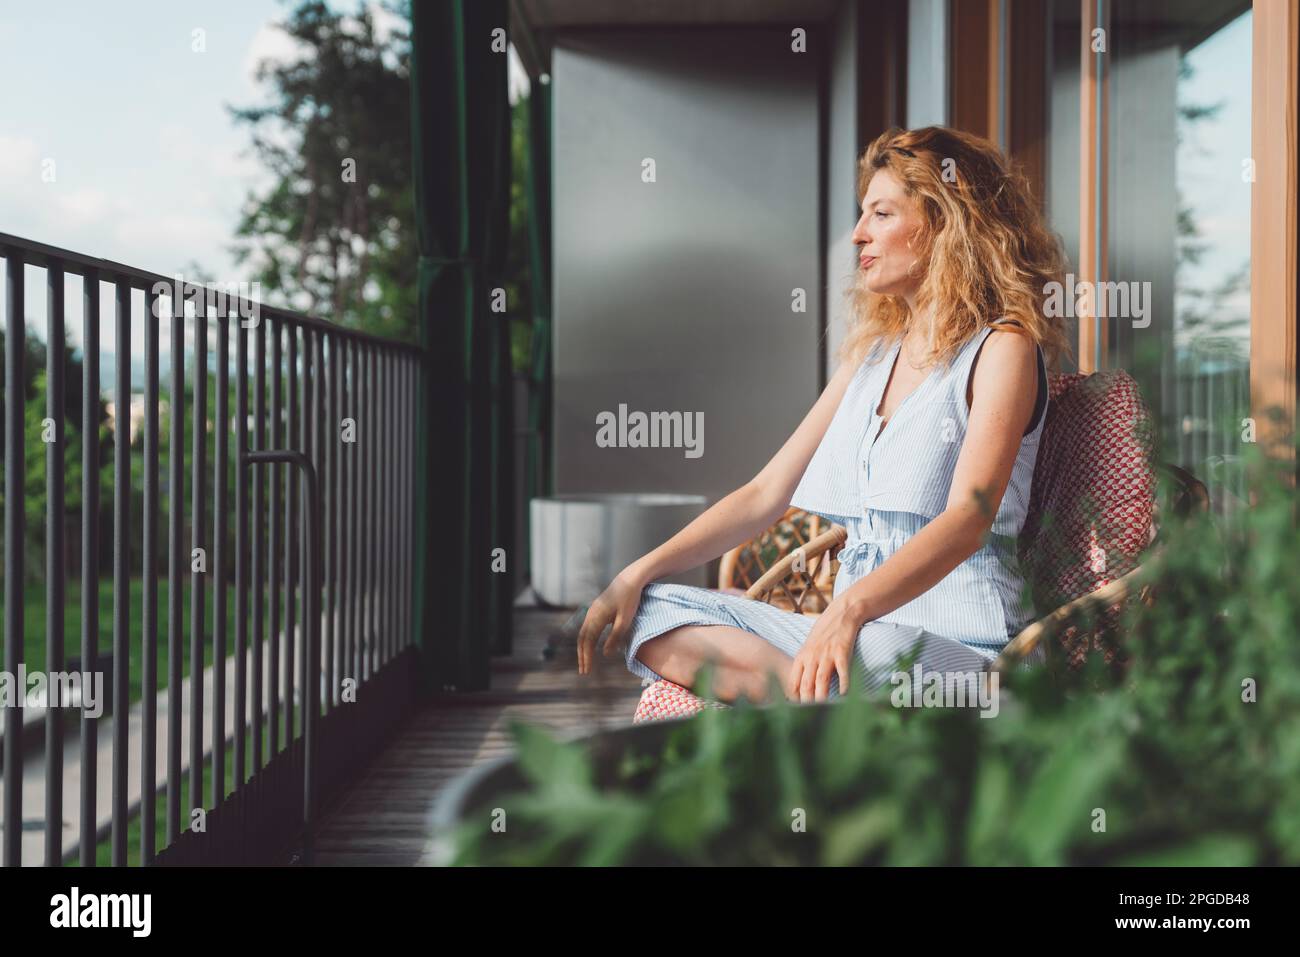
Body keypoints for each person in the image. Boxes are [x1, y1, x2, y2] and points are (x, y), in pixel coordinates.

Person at [577, 125, 1070, 705]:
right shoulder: (874, 357)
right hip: (848, 635)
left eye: (881, 214)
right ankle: (820, 709)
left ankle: (811, 708)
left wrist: (849, 609)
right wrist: (637, 572)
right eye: (863, 216)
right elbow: (766, 492)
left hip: (965, 650)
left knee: (874, 655)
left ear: (944, 223)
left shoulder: (1001, 349)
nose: (859, 235)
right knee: (651, 612)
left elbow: (969, 516)